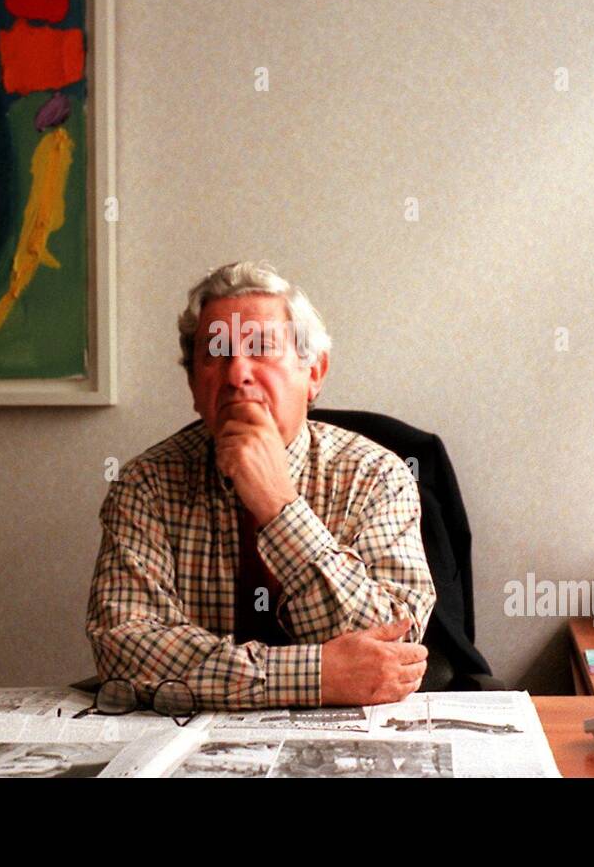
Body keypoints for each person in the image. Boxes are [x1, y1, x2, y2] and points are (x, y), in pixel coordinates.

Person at [85, 261, 436, 710]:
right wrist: (316, 677)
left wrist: (279, 506)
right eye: (215, 354)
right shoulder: (144, 485)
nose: (236, 375)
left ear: (314, 373)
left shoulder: (377, 476)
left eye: (261, 349)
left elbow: (393, 646)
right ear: (193, 383)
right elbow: (124, 649)